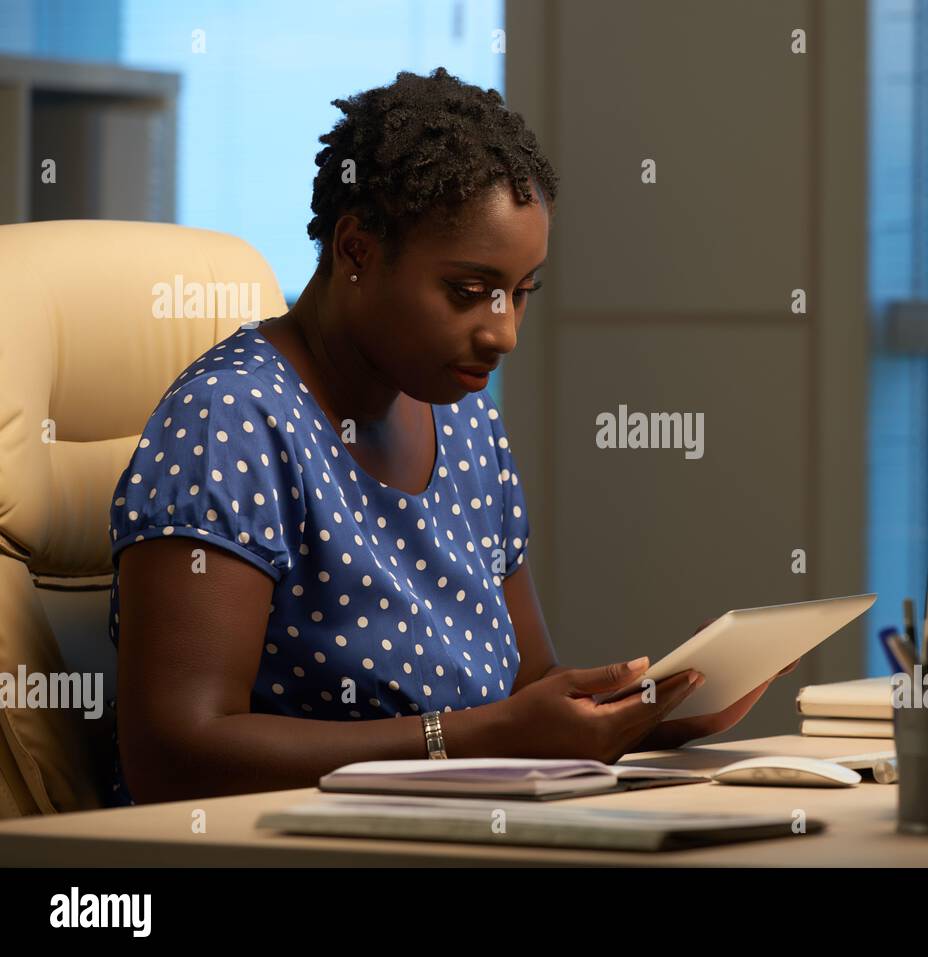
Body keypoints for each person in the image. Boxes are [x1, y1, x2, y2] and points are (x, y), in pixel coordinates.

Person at [107, 68, 795, 806]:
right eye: (468, 292)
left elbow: (525, 694)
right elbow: (175, 754)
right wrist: (471, 738)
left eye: (521, 293)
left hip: (464, 823)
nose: (503, 333)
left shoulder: (465, 416)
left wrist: (658, 712)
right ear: (356, 252)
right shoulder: (231, 419)